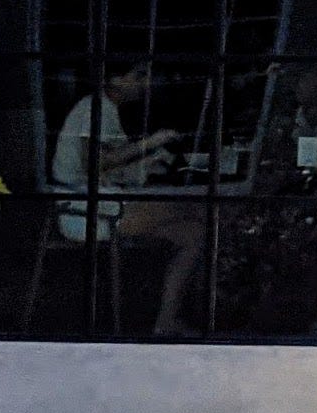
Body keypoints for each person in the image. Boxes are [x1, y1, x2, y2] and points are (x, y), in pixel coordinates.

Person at [49, 62, 207, 336]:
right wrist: (151, 143)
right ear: (114, 78)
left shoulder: (107, 110)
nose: (145, 83)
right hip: (84, 211)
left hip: (102, 203)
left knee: (195, 233)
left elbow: (114, 165)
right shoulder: (93, 108)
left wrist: (148, 164)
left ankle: (166, 320)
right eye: (139, 75)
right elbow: (96, 162)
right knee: (194, 208)